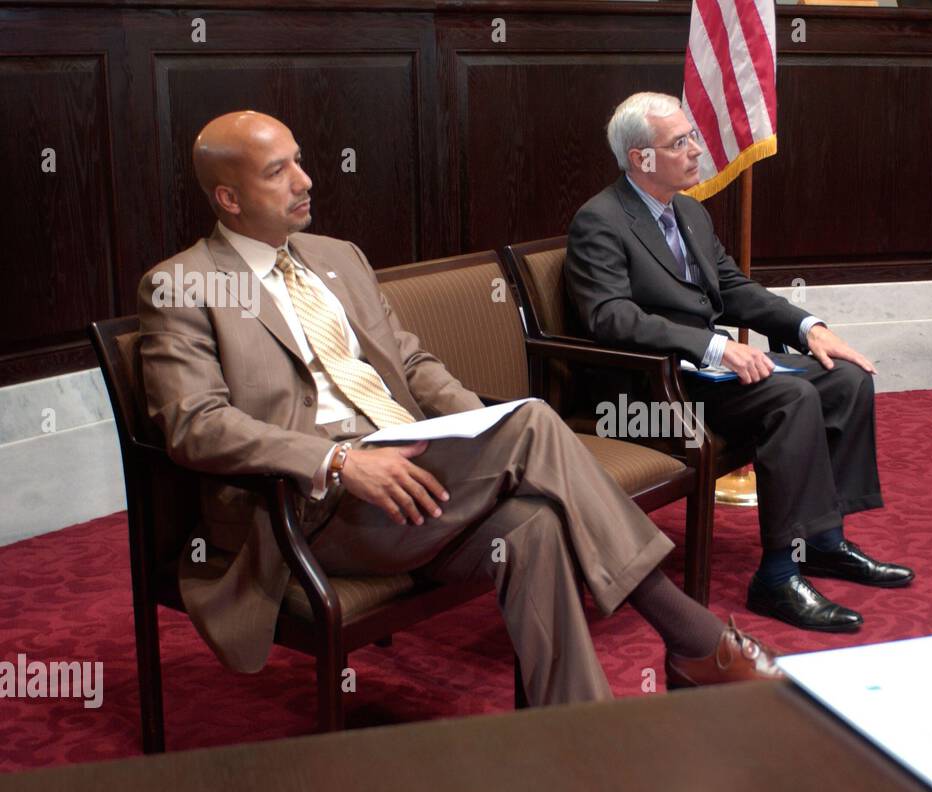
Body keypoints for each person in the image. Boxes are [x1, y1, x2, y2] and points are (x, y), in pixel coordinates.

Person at [137, 110, 781, 707]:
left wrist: (484, 428)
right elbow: (197, 424)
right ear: (228, 197)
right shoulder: (183, 284)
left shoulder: (337, 257)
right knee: (531, 425)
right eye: (278, 172)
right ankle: (692, 637)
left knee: (531, 525)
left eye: (300, 161)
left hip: (414, 473)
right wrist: (336, 460)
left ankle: (580, 731)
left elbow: (411, 365)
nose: (305, 181)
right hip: (308, 508)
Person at [565, 92, 915, 634]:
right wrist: (712, 346)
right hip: (648, 390)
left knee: (844, 377)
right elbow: (610, 318)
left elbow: (733, 288)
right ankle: (776, 577)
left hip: (704, 374)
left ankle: (823, 541)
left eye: (692, 136)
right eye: (679, 142)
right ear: (641, 158)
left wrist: (807, 327)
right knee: (792, 395)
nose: (696, 150)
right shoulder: (601, 221)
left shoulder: (690, 211)